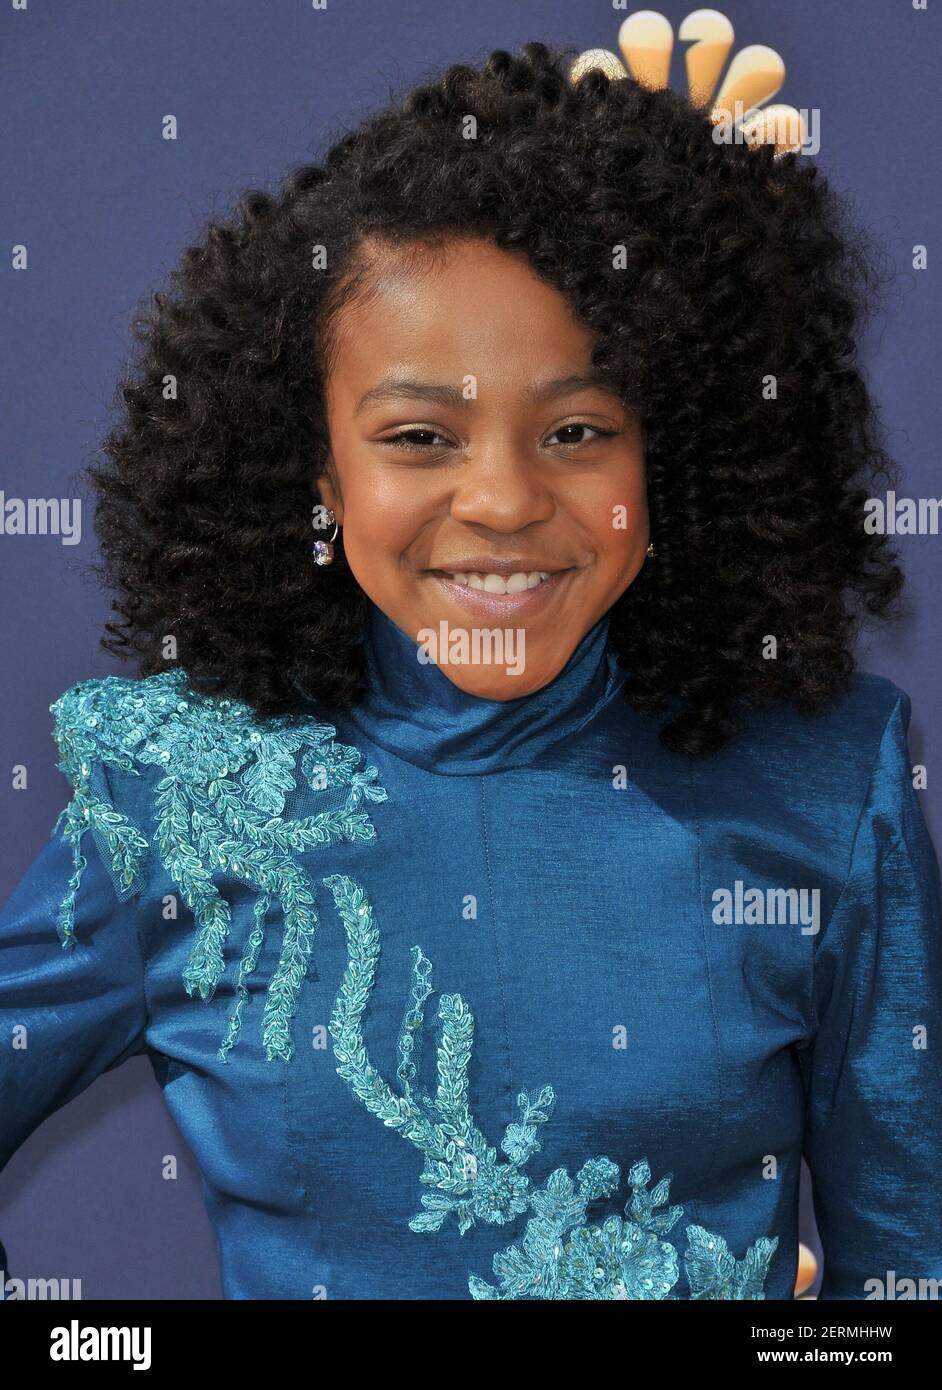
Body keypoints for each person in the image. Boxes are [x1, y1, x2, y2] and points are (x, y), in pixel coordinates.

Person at [1, 42, 940, 1302]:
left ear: (679, 457)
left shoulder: (830, 782)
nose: (501, 499)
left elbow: (909, 1271)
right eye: (418, 437)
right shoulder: (174, 800)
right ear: (321, 480)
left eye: (578, 430)